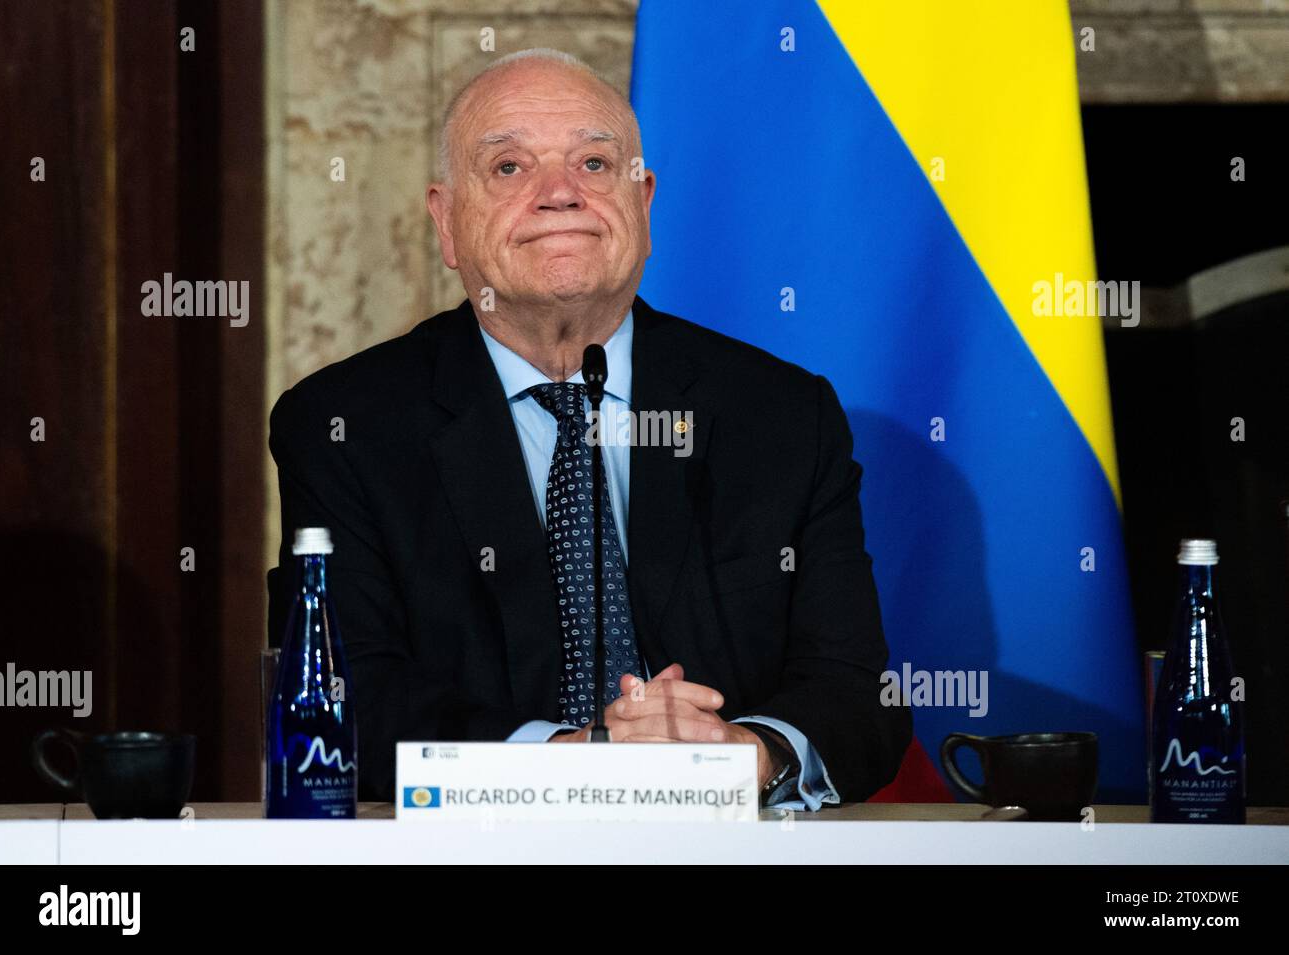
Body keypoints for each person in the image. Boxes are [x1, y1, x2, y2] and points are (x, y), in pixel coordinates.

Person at [268, 49, 910, 809]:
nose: (560, 195)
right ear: (446, 222)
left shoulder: (781, 416)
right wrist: (574, 761)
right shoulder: (346, 425)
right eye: (509, 167)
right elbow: (344, 697)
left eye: (596, 163)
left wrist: (748, 752)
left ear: (644, 205)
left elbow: (858, 690)